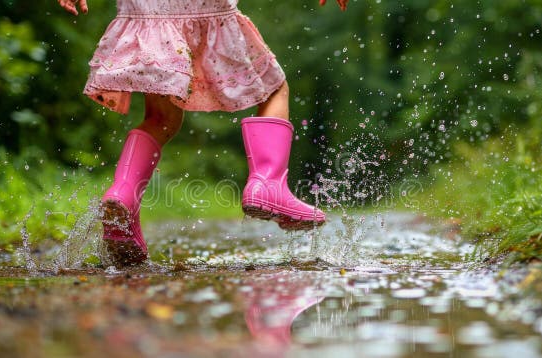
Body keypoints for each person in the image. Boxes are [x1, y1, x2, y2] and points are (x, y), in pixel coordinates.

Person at [57, 0, 348, 266]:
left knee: (160, 118)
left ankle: (123, 195)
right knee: (273, 88)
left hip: (149, 11)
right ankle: (266, 184)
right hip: (207, 7)